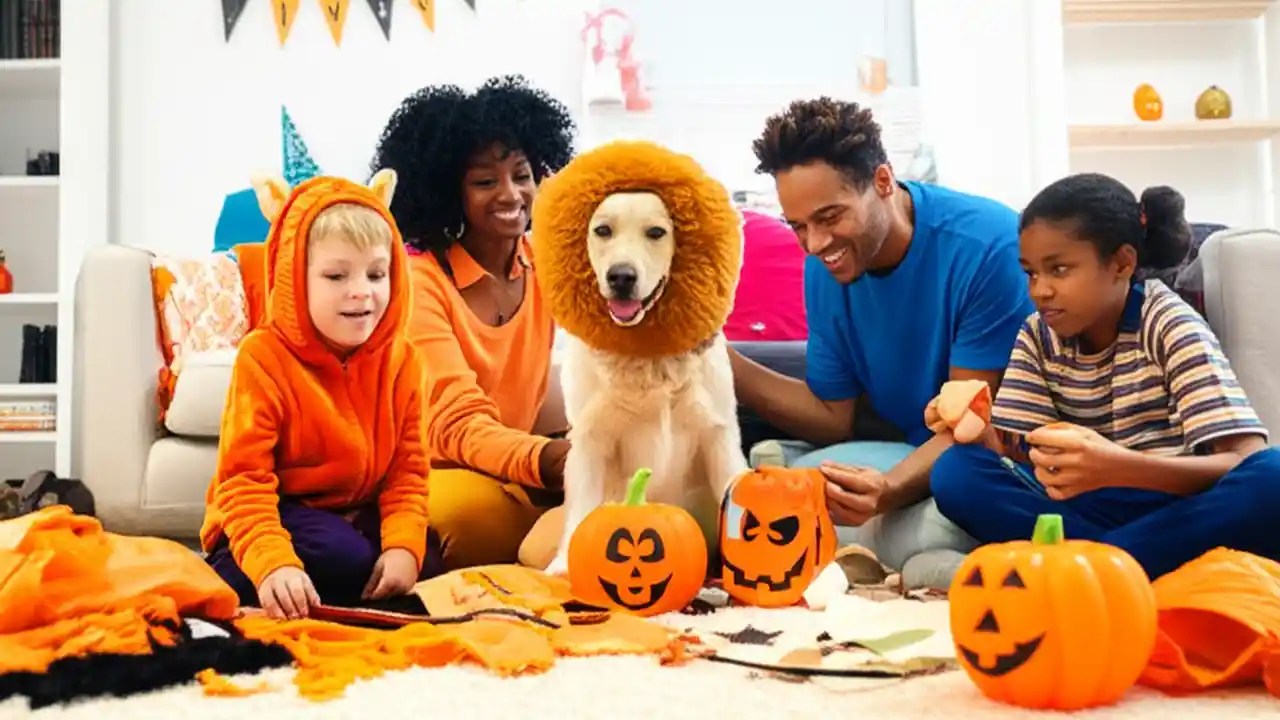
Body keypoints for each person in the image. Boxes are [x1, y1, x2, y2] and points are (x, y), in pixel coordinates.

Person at [730, 97, 1034, 574]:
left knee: (949, 503)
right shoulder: (825, 266)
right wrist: (713, 356)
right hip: (903, 447)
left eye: (830, 217)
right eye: (798, 226)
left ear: (883, 181)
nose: (814, 244)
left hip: (982, 456)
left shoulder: (988, 248)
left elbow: (973, 422)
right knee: (763, 497)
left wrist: (888, 490)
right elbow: (833, 415)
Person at [929, 173, 1280, 580]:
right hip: (1089, 507)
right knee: (957, 471)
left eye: (1059, 270)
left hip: (1176, 503)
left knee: (1271, 477)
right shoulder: (1039, 334)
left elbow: (1241, 459)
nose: (1040, 290)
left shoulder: (1169, 323)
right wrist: (978, 428)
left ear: (1122, 264)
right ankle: (1116, 565)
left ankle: (1094, 566)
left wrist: (1119, 467)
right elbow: (1020, 449)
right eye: (1031, 273)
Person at [202, 170, 435, 619]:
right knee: (342, 555)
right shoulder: (262, 357)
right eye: (335, 275)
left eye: (377, 274)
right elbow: (244, 481)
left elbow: (407, 472)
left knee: (426, 552)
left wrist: (404, 547)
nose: (361, 292)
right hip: (278, 511)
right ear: (295, 279)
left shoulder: (404, 360)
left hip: (354, 511)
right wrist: (273, 563)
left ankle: (337, 584)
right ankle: (234, 569)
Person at [369, 75, 576, 570]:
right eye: (486, 182)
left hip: (514, 471)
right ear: (448, 192)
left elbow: (625, 332)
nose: (511, 194)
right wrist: (555, 463)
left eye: (522, 175)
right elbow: (456, 424)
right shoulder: (419, 281)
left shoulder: (547, 260)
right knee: (463, 519)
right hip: (434, 473)